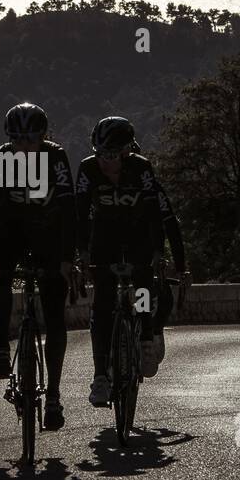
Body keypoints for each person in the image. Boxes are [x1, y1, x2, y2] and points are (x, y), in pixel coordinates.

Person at [0, 102, 76, 431]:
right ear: (9, 139)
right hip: (11, 231)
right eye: (17, 140)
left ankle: (53, 395)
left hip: (48, 233)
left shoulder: (56, 157)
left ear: (44, 137)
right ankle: (3, 349)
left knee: (54, 313)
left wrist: (67, 259)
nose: (24, 147)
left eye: (31, 140)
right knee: (0, 280)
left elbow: (68, 208)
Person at [76, 116, 165, 408]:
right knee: (102, 305)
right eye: (100, 153)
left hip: (138, 235)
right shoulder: (88, 169)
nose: (104, 161)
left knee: (142, 287)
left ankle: (147, 336)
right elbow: (78, 215)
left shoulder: (142, 169)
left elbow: (155, 213)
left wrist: (158, 252)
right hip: (104, 238)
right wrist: (82, 253)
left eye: (111, 155)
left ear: (127, 153)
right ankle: (101, 375)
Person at [131, 139, 190, 364]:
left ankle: (153, 329)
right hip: (117, 244)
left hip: (146, 246)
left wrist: (181, 266)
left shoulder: (153, 189)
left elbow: (171, 227)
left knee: (156, 289)